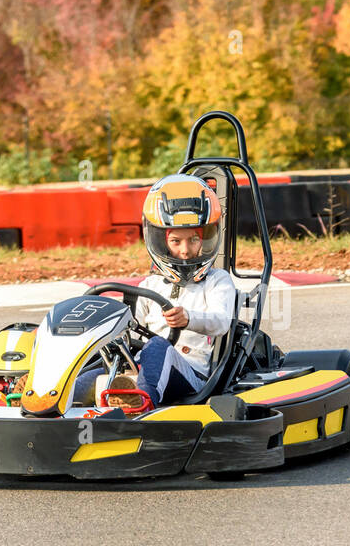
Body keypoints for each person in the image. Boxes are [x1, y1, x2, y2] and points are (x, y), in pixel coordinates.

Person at [75, 173, 237, 408]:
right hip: (142, 366)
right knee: (109, 354)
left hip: (193, 374)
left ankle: (141, 404)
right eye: (176, 241)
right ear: (162, 241)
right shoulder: (150, 286)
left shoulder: (217, 280)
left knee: (158, 346)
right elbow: (131, 329)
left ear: (207, 238)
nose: (185, 250)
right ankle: (52, 396)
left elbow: (221, 321)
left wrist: (188, 318)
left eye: (193, 239)